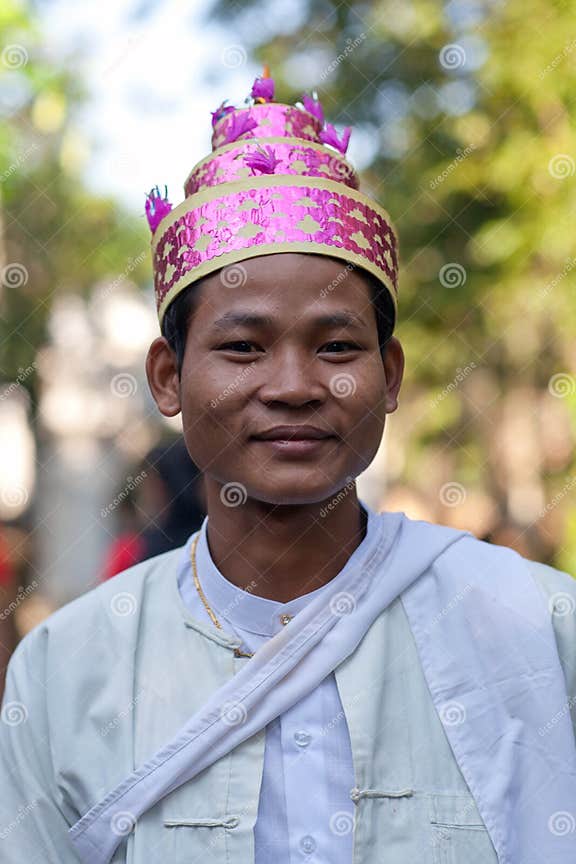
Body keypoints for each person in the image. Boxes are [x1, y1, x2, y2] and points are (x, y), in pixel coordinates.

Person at [0, 68, 575, 864]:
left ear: (392, 375)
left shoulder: (540, 628)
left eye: (337, 347)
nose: (295, 386)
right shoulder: (69, 669)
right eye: (243, 348)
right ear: (168, 376)